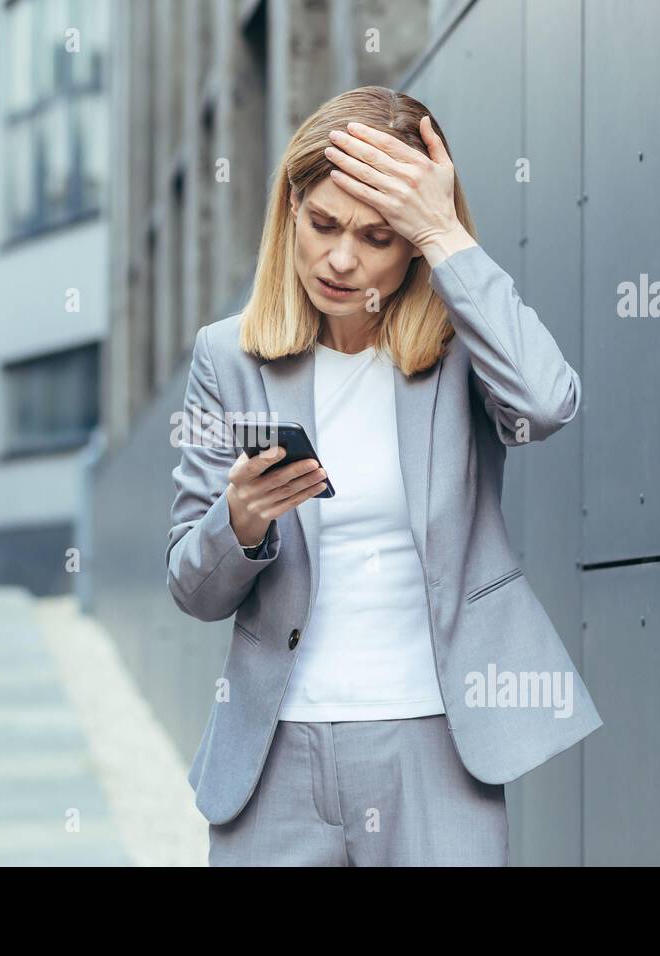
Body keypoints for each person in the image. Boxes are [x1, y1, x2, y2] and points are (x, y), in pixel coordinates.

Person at [166, 86, 602, 866]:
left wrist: (445, 232)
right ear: (290, 210)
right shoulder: (226, 356)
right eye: (323, 224)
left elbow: (546, 403)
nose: (341, 259)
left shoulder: (464, 350)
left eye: (378, 236)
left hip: (434, 745)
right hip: (272, 756)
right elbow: (192, 590)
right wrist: (239, 521)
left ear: (413, 248)